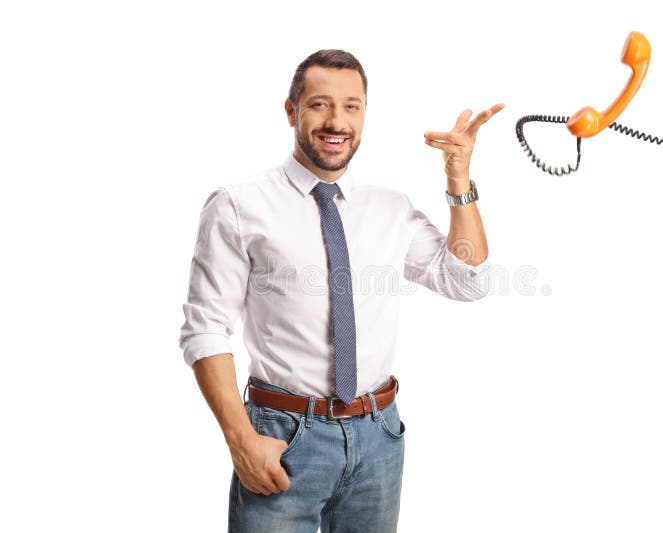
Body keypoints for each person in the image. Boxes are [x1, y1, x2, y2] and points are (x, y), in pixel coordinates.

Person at [178, 49, 503, 533]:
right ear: (292, 111)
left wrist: (458, 179)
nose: (337, 121)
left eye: (352, 106)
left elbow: (468, 279)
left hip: (379, 436)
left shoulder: (390, 208)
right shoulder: (238, 205)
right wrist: (240, 440)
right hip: (284, 438)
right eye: (320, 105)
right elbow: (205, 332)